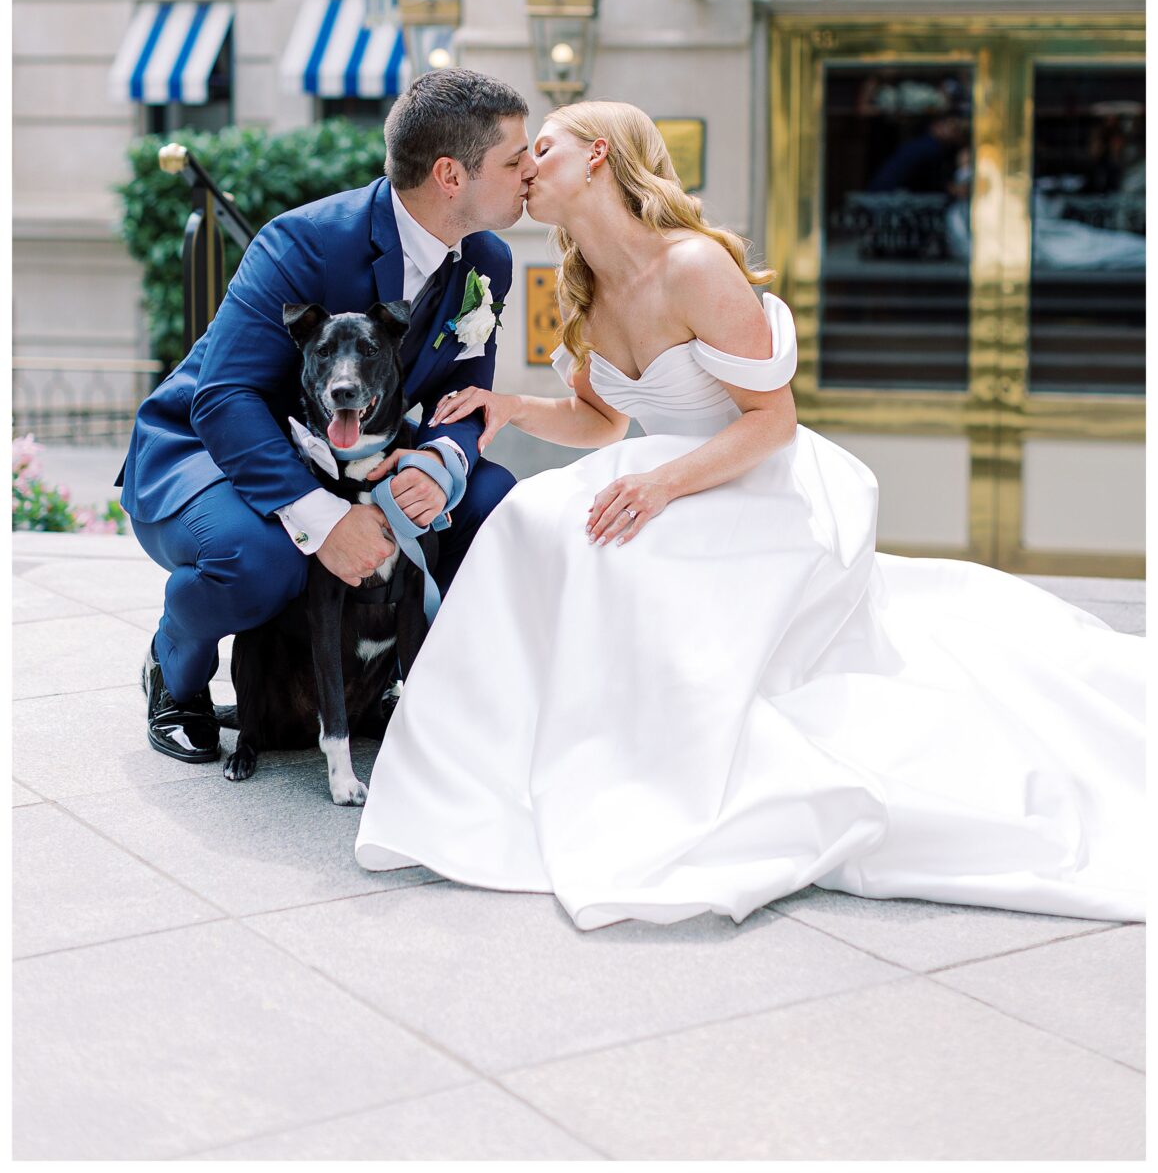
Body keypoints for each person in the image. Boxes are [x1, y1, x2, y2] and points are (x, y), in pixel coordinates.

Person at [354, 101, 1145, 932]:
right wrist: (512, 407)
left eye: (539, 151)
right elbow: (602, 423)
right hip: (663, 477)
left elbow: (772, 421)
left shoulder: (694, 266)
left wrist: (663, 488)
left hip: (751, 481)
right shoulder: (580, 291)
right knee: (532, 521)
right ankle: (510, 763)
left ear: (598, 158)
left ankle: (650, 770)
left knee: (612, 547)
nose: (523, 169)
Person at [118, 69, 535, 764]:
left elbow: (467, 389)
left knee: (491, 502)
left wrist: (440, 462)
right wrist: (327, 519)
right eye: (515, 158)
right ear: (450, 177)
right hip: (207, 450)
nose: (531, 171)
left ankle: (419, 688)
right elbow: (222, 399)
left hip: (355, 454)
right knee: (258, 562)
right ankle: (174, 668)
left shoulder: (486, 259)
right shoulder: (303, 242)